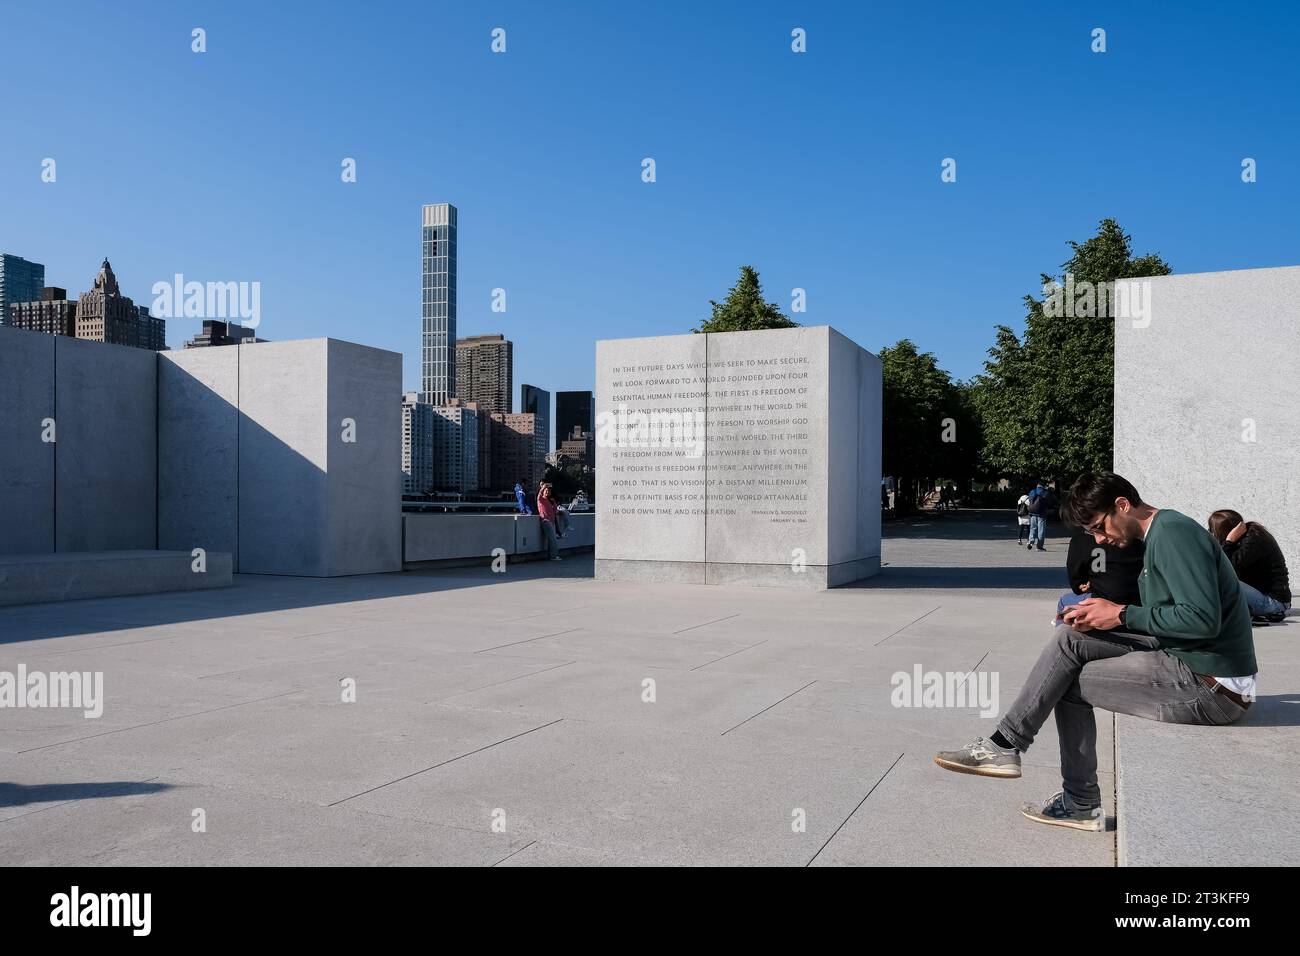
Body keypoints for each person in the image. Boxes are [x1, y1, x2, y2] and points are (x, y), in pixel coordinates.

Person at [934, 472, 1257, 832]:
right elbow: (1171, 618)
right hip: (1192, 661)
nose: (1101, 539)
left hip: (1212, 686)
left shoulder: (1173, 535)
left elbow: (1201, 620)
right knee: (1069, 639)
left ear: (1122, 504)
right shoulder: (1161, 534)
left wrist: (1120, 613)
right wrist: (1101, 614)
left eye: (1100, 527)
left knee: (1066, 683)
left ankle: (1079, 802)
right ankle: (1006, 745)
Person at [1208, 509, 1291, 622]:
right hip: (1259, 596)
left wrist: (1229, 542)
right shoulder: (1245, 538)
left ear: (1225, 531)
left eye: (1213, 530)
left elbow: (1227, 568)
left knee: (1221, 579)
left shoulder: (1254, 540)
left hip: (1275, 603)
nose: (1211, 534)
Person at [1056, 528, 1144, 625]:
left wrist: (1088, 584)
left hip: (1107, 602)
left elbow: (1077, 585)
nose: (1099, 540)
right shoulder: (1139, 538)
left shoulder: (1082, 540)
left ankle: (1063, 631)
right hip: (1139, 601)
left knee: (1064, 601)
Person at [536, 481, 562, 561]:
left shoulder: (549, 501)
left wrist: (554, 504)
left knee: (551, 539)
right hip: (545, 521)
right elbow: (539, 493)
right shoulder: (540, 499)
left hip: (551, 522)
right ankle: (554, 556)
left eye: (549, 491)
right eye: (546, 491)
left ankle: (550, 555)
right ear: (543, 492)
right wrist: (544, 486)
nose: (547, 492)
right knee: (553, 539)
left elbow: (555, 512)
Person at [1025, 482, 1055, 552]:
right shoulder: (1045, 492)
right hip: (1042, 514)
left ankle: (1030, 541)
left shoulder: (1032, 491)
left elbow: (1029, 500)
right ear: (1043, 486)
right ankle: (1039, 547)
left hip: (1032, 513)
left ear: (1037, 485)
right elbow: (1050, 502)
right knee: (1041, 530)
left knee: (1032, 528)